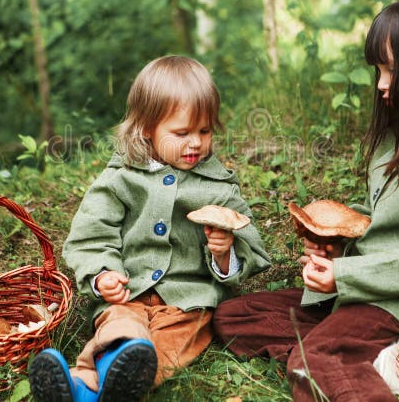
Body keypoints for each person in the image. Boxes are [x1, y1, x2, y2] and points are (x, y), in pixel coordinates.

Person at [212, 0, 399, 402]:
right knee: (234, 317)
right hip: (369, 286)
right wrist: (338, 241)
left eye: (391, 70)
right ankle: (365, 356)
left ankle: (344, 356)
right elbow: (389, 221)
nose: (382, 84)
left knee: (311, 363)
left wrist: (346, 276)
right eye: (378, 70)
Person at [29, 55, 271, 402]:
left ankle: (85, 388)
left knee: (168, 344)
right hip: (130, 291)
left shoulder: (218, 186)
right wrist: (103, 275)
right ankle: (100, 380)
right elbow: (91, 233)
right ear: (146, 128)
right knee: (120, 327)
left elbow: (252, 246)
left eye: (205, 131)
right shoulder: (122, 178)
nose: (195, 143)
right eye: (181, 132)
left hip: (188, 302)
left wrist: (224, 253)